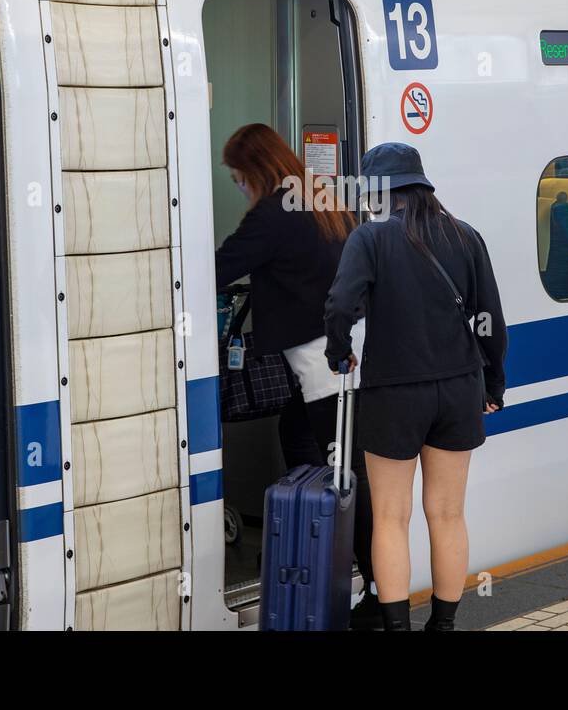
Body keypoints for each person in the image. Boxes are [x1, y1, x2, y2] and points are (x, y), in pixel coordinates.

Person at [325, 143, 507, 632]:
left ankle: (397, 628)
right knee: (447, 513)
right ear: (421, 186)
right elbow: (490, 319)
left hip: (394, 393)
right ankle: (443, 625)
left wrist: (337, 350)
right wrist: (494, 383)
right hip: (458, 390)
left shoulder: (369, 240)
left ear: (380, 192)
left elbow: (340, 304)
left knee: (390, 516)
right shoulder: (466, 236)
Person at [214, 123, 380, 628]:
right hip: (355, 349)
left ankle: (374, 590)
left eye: (239, 179)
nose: (239, 188)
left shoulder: (270, 215)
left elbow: (216, 268)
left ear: (256, 172)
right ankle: (325, 555)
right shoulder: (319, 195)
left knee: (348, 476)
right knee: (301, 437)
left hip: (325, 366)